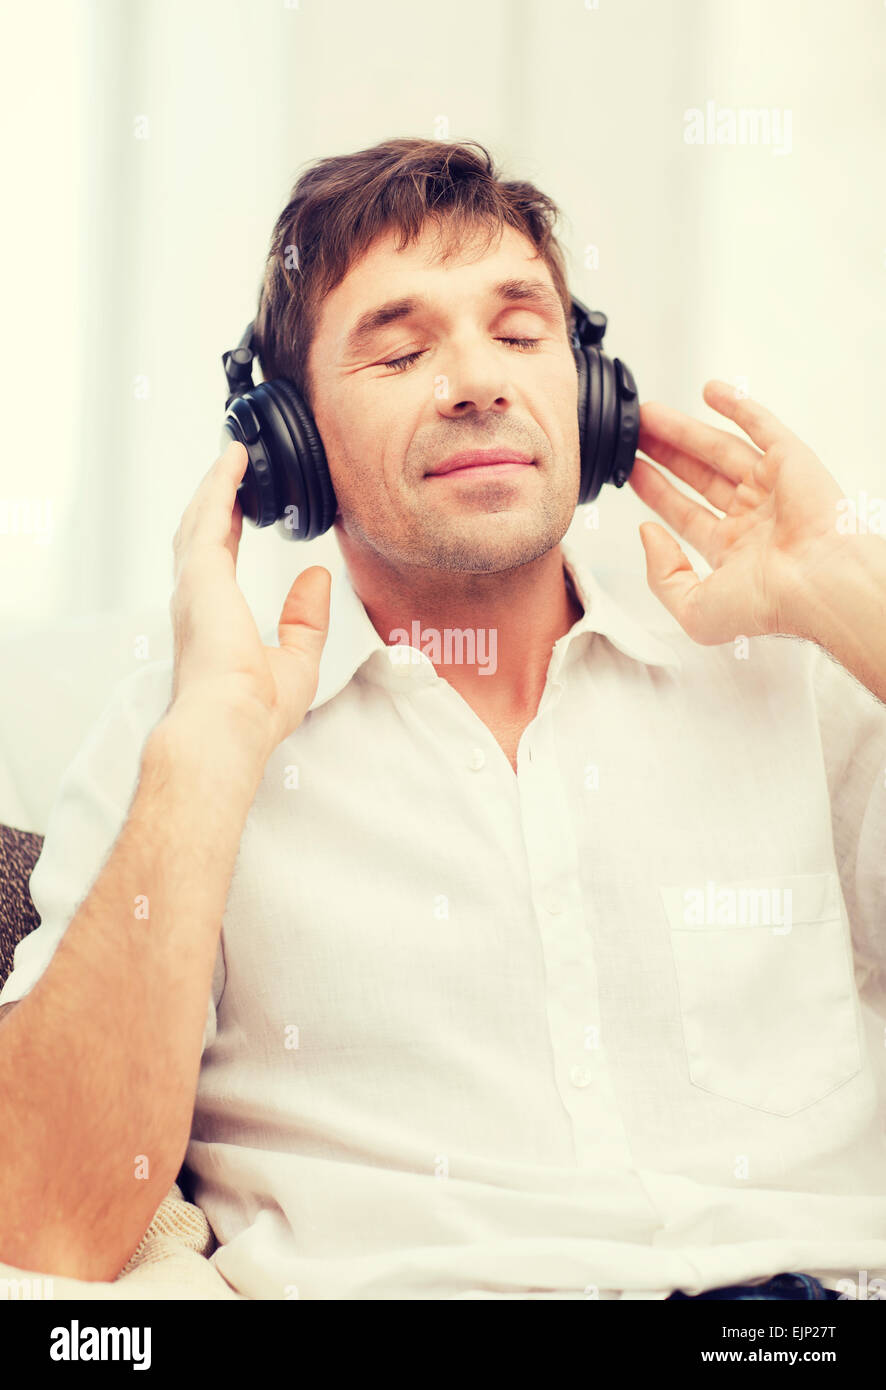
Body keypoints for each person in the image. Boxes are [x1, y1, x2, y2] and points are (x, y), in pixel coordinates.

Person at [1, 138, 885, 1302]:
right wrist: (204, 760)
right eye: (403, 348)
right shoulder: (185, 731)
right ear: (289, 447)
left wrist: (856, 595)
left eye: (520, 334)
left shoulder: (791, 677)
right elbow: (46, 1227)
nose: (477, 380)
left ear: (593, 395)